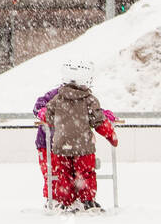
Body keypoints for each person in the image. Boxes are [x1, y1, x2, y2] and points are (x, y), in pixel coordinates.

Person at [38, 60, 119, 211]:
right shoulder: (89, 100)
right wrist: (110, 135)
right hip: (84, 147)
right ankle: (87, 201)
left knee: (64, 174)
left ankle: (66, 202)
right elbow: (99, 121)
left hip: (61, 147)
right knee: (85, 174)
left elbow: (48, 117)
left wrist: (45, 116)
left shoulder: (58, 99)